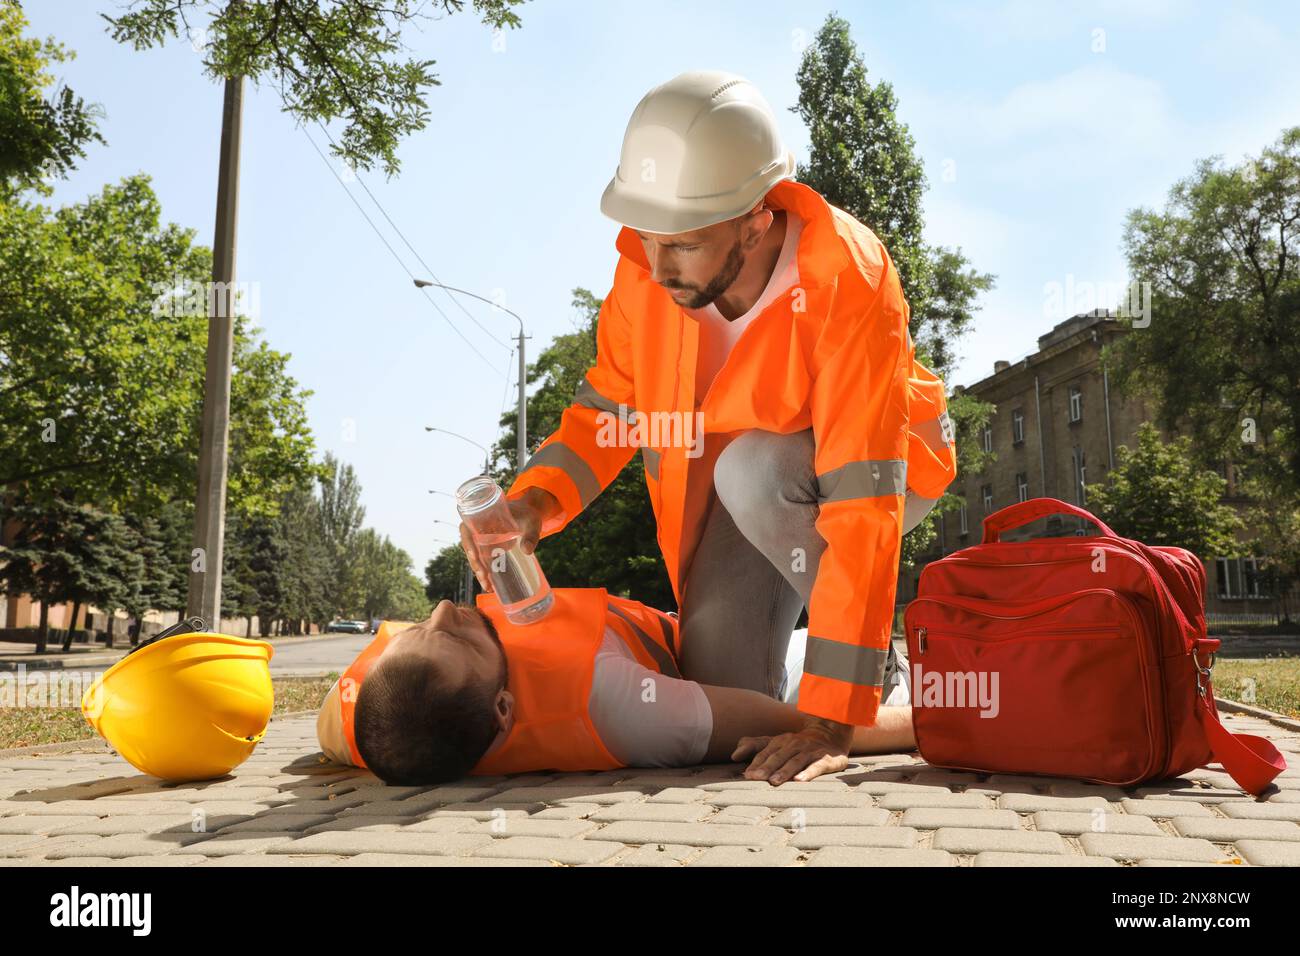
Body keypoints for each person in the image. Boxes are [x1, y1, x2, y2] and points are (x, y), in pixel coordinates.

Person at [460, 70, 957, 786]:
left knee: (751, 472)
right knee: (725, 687)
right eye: (645, 236)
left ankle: (874, 675)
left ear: (756, 221)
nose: (656, 267)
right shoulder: (648, 270)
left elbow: (861, 497)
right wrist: (534, 503)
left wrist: (832, 721)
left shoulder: (847, 274)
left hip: (887, 470)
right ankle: (829, 666)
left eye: (683, 245)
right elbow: (608, 413)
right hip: (752, 489)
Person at [316, 590, 915, 785]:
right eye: (459, 637)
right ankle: (900, 673)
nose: (445, 607)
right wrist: (934, 723)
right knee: (813, 664)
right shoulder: (617, 706)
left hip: (679, 625)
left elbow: (332, 727)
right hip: (734, 659)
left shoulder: (365, 722)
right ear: (504, 708)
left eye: (421, 627)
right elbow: (797, 723)